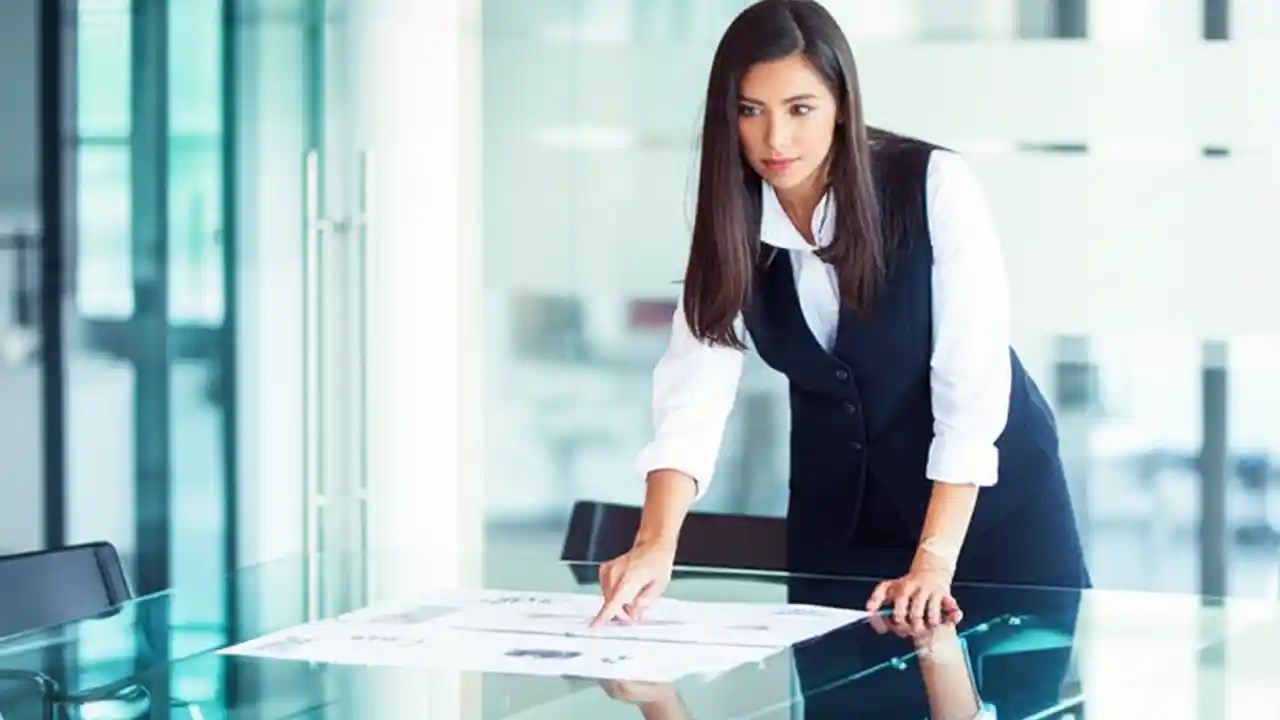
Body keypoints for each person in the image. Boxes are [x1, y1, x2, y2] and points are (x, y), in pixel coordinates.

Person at [591, 0, 1089, 631]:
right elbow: (694, 387)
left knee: (1017, 678)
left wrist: (933, 563)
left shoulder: (932, 185)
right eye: (751, 110)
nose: (775, 139)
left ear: (842, 105)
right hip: (839, 526)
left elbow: (971, 383)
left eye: (800, 109)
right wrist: (656, 542)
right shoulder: (733, 219)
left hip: (984, 518)